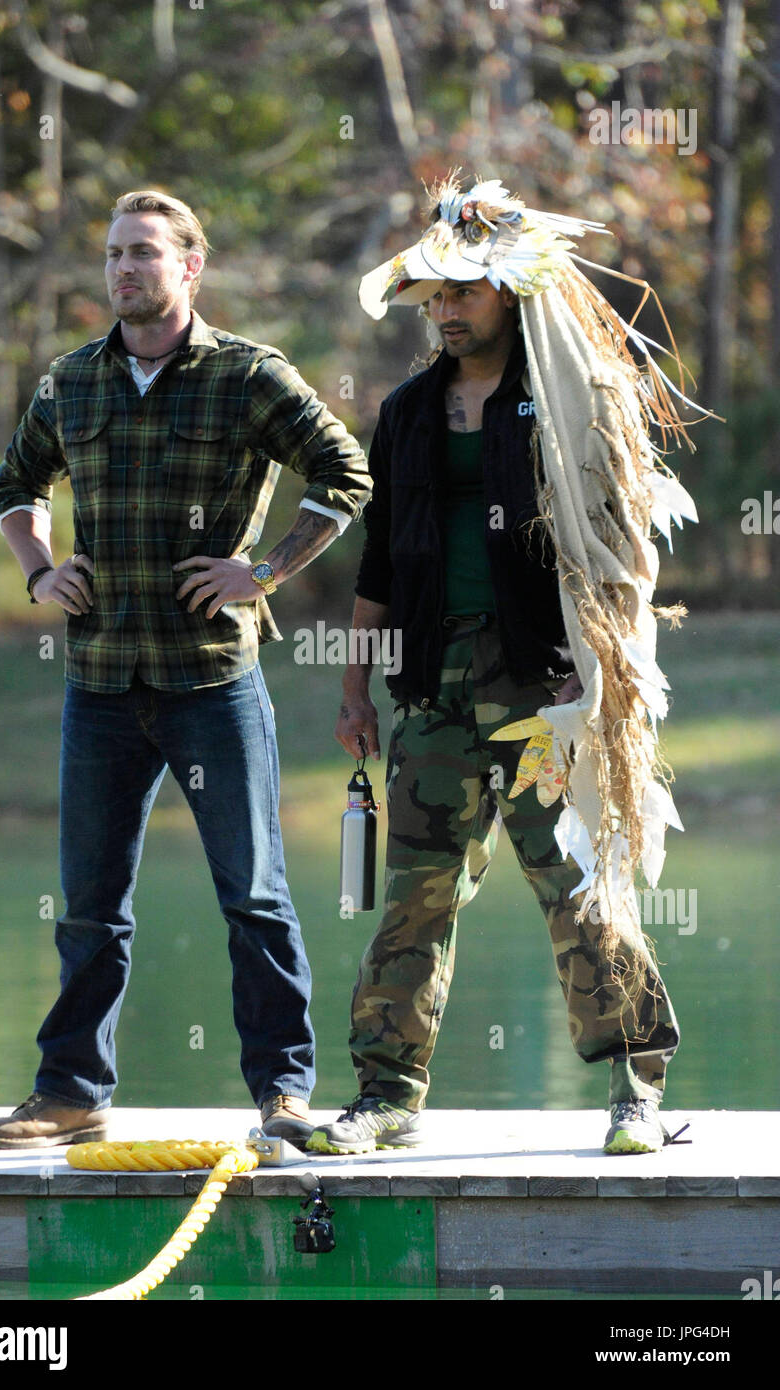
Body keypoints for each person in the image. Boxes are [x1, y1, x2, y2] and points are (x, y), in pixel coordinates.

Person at [307, 175, 701, 1158]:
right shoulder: (403, 413)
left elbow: (617, 546)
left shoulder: (569, 401)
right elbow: (383, 559)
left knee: (575, 882)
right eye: (434, 294)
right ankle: (386, 1096)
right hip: (432, 685)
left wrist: (597, 674)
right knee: (415, 892)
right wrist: (357, 684)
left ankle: (634, 1090)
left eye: (464, 291)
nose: (445, 308)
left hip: (547, 688)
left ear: (508, 295)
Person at [0, 190, 371, 1151]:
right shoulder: (71, 382)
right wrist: (39, 569)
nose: (123, 271)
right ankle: (70, 1090)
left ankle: (282, 1094)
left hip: (212, 683)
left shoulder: (247, 376)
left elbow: (345, 474)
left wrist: (264, 570)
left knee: (256, 896)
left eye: (144, 253)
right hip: (101, 684)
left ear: (190, 266)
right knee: (90, 908)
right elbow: (11, 487)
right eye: (113, 254)